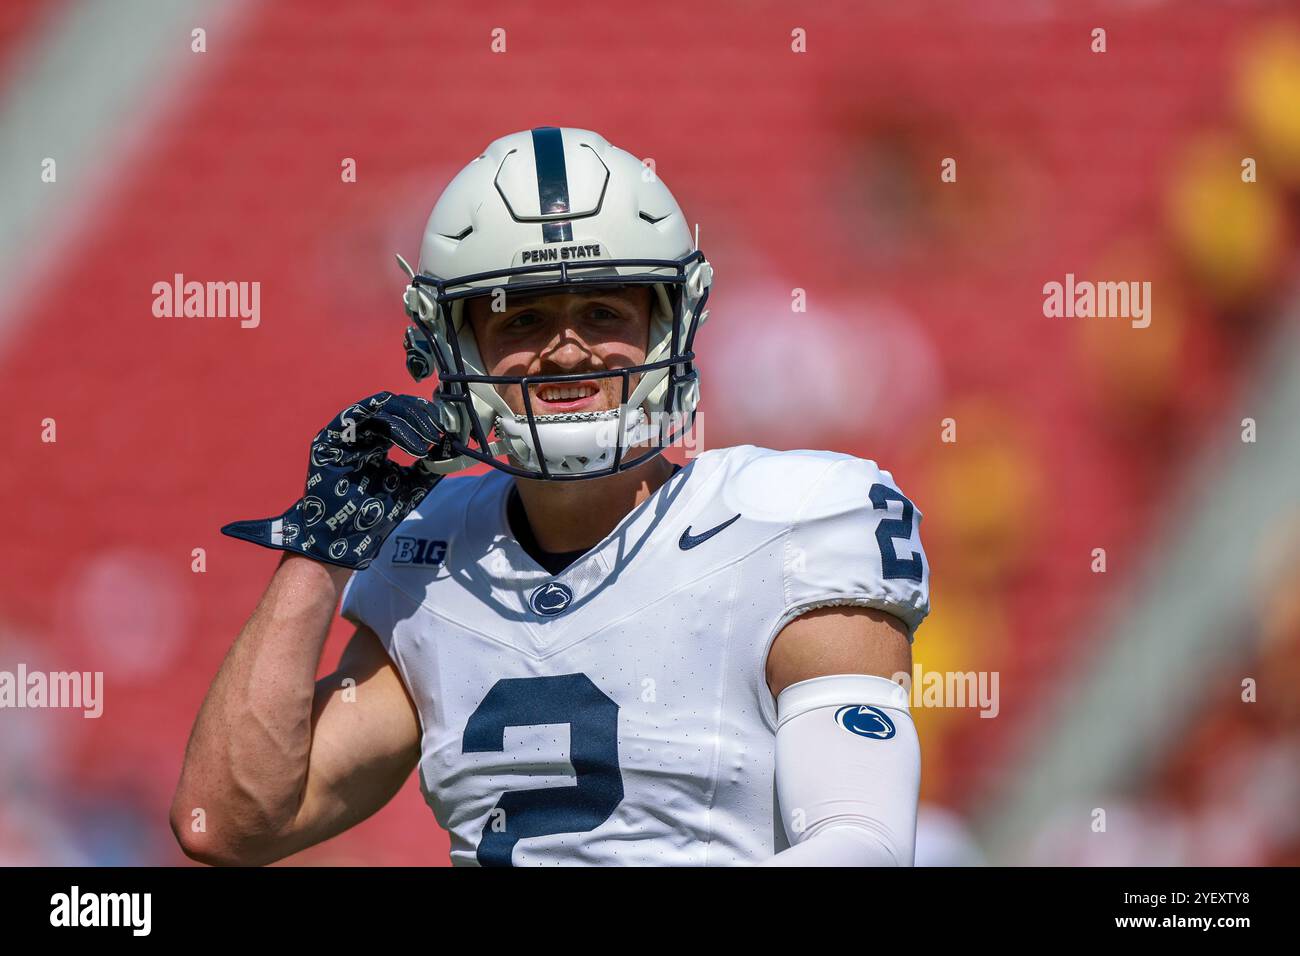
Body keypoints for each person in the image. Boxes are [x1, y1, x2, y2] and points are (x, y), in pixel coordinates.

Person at [171, 127, 931, 866]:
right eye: (523, 316)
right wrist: (320, 550)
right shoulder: (435, 562)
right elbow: (228, 824)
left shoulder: (787, 521)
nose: (567, 349)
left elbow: (863, 844)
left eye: (602, 311)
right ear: (445, 345)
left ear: (671, 321)